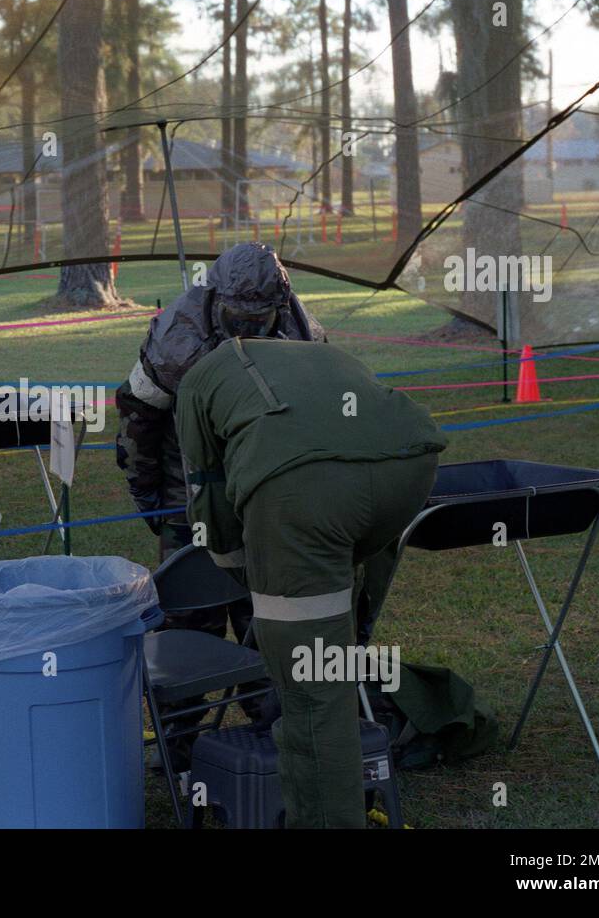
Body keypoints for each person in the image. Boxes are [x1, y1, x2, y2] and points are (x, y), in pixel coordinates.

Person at [176, 335, 445, 828]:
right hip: (412, 462)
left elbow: (209, 496)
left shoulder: (196, 382)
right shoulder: (316, 351)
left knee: (311, 695)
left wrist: (247, 573)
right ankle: (351, 641)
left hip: (303, 489)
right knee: (335, 635)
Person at [115, 242, 323, 762]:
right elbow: (138, 417)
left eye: (261, 316)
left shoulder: (302, 331)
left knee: (272, 614)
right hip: (189, 492)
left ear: (282, 300)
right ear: (215, 301)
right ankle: (178, 742)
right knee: (189, 617)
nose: (249, 329)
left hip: (267, 496)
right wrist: (145, 490)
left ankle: (274, 736)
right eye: (237, 317)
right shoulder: (176, 341)